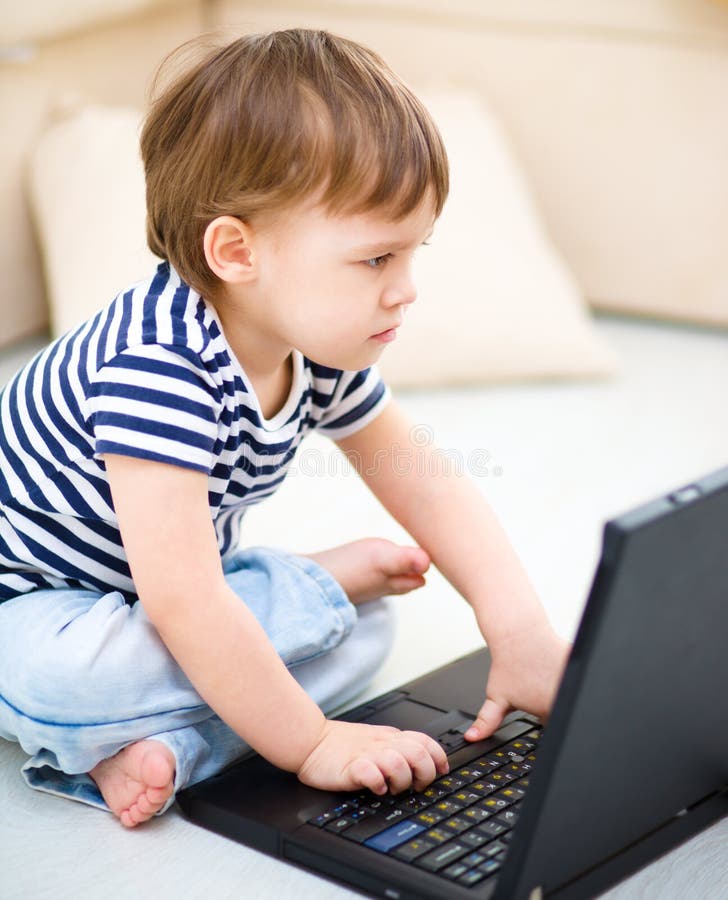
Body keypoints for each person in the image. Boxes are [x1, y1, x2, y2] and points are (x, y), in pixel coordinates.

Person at [0, 28, 569, 828]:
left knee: (368, 630)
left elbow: (424, 476)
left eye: (414, 254)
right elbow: (186, 602)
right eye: (376, 259)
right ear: (236, 252)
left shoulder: (317, 342)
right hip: (40, 604)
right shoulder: (156, 369)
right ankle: (247, 656)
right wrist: (312, 747)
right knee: (67, 684)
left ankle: (169, 739)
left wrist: (519, 628)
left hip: (173, 595)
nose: (406, 290)